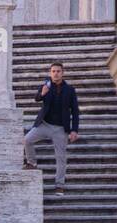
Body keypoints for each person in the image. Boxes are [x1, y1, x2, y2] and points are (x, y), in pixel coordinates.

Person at [23, 62, 80, 198]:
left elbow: (75, 111)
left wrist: (74, 130)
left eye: (58, 71)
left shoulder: (70, 90)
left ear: (62, 73)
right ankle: (32, 163)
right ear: (50, 73)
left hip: (61, 128)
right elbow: (36, 99)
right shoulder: (45, 86)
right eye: (53, 71)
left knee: (61, 158)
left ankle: (59, 185)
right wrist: (42, 94)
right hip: (44, 124)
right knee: (27, 139)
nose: (56, 73)